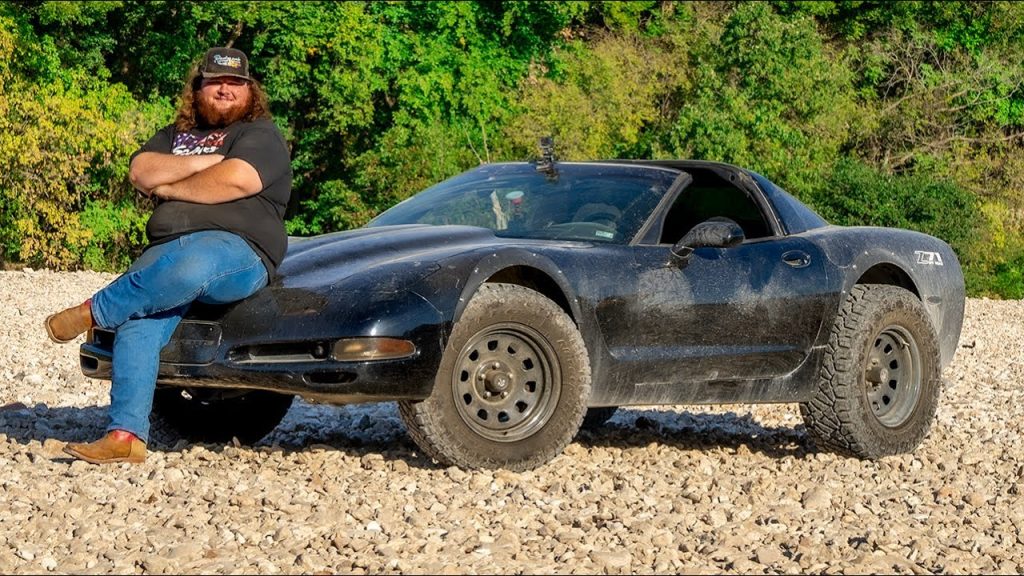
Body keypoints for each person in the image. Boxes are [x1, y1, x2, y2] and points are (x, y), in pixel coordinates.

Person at [44, 47, 292, 464]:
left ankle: (93, 310)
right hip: (163, 249)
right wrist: (208, 161)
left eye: (236, 83)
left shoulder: (261, 135)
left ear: (251, 92)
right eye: (216, 82)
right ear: (198, 88)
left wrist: (173, 183)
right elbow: (142, 172)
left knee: (192, 266)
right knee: (140, 322)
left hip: (236, 248)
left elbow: (234, 181)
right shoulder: (173, 135)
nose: (225, 90)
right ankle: (125, 436)